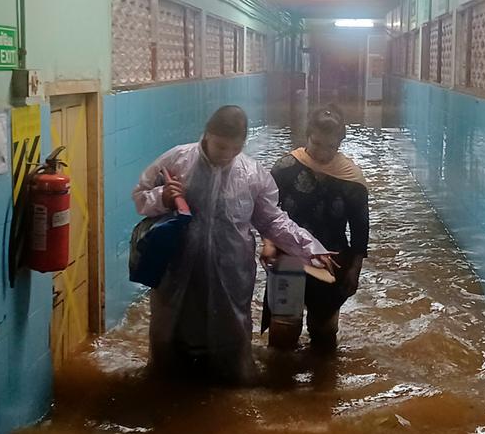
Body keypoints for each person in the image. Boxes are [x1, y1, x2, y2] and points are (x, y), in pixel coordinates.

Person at [133, 105, 335, 383]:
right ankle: (167, 382)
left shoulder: (252, 174)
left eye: (234, 148)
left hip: (230, 272)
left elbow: (272, 220)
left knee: (231, 334)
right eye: (220, 146)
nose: (226, 154)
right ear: (206, 134)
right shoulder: (177, 160)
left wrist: (310, 247)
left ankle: (232, 384)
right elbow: (141, 197)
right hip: (178, 269)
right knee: (172, 329)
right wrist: (163, 198)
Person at [261, 106, 369, 352]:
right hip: (287, 258)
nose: (322, 153)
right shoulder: (285, 169)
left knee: (324, 335)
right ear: (307, 135)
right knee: (283, 333)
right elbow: (267, 212)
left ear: (340, 143)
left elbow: (360, 228)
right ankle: (281, 386)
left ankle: (323, 387)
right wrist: (268, 244)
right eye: (317, 143)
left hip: (331, 262)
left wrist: (354, 270)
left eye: (331, 147)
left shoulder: (351, 179)